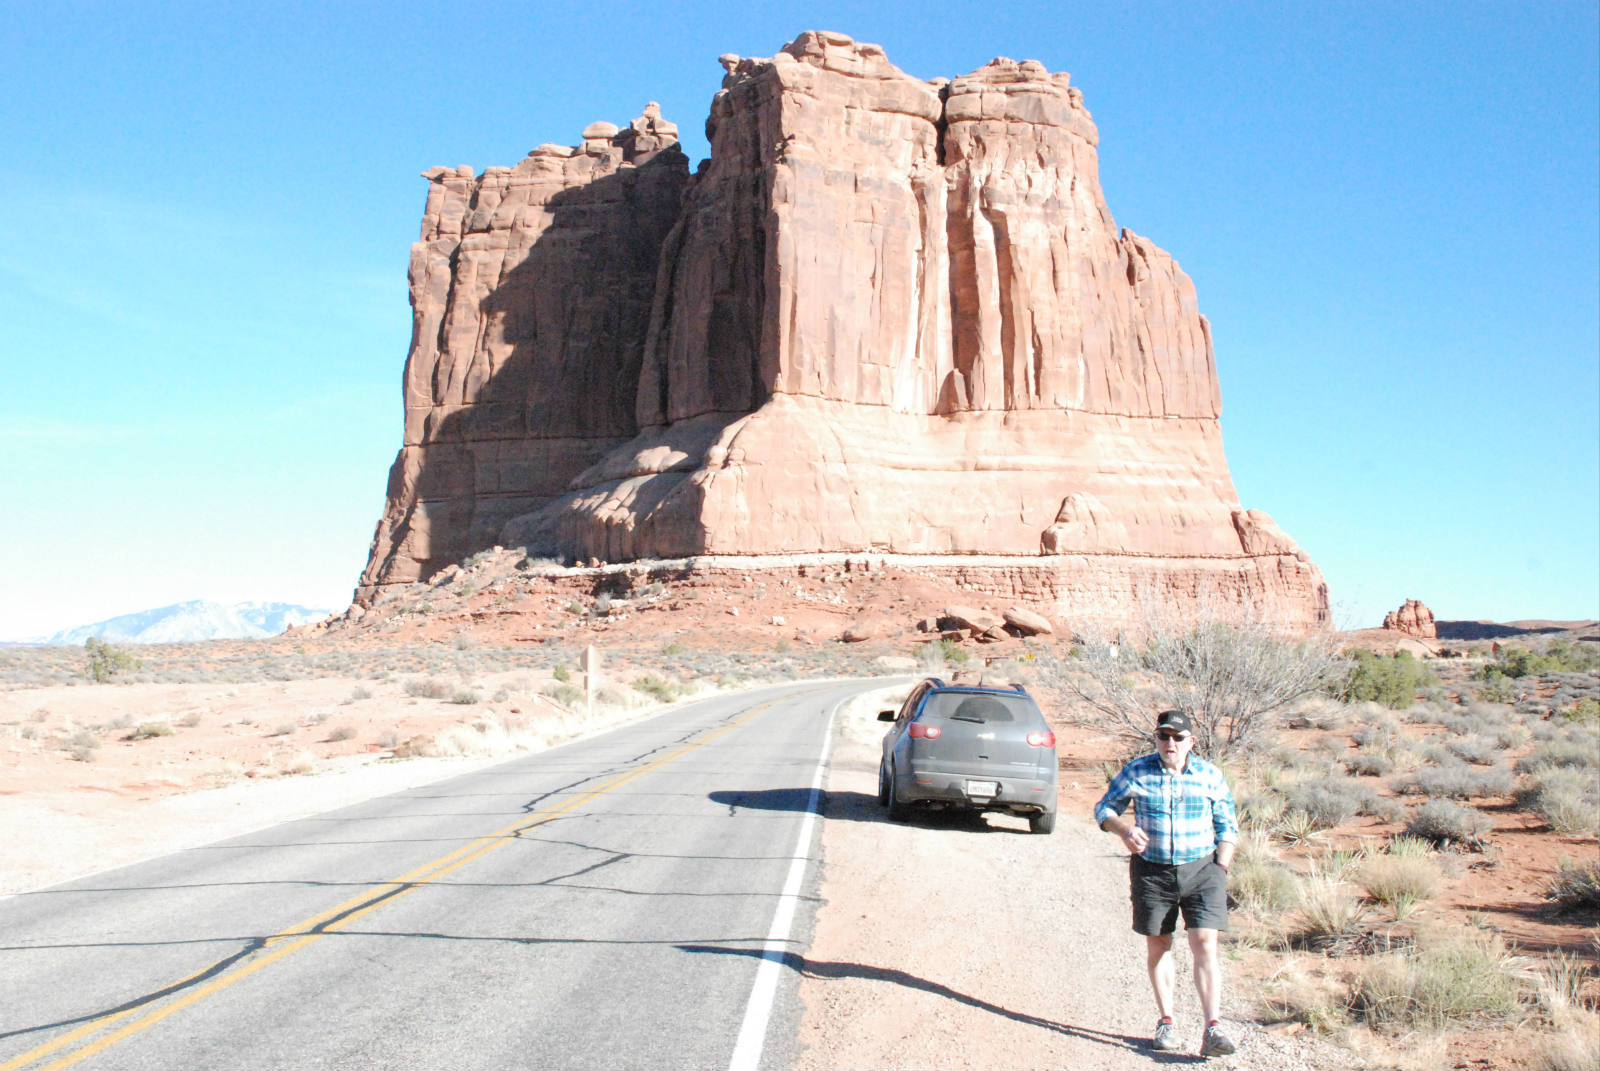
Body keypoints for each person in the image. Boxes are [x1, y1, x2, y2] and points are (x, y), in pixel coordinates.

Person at [1094, 709, 1239, 1057]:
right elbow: (1104, 808)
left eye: (1177, 737)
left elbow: (1227, 823)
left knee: (1204, 942)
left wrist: (1221, 866)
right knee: (1159, 944)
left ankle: (1213, 1028)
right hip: (1153, 871)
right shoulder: (1137, 771)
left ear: (1191, 741)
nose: (1170, 743)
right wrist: (1124, 830)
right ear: (1156, 739)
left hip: (1203, 869)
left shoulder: (1208, 775)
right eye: (1163, 736)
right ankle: (1167, 1021)